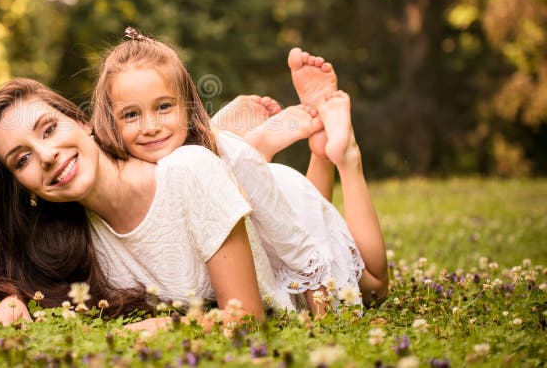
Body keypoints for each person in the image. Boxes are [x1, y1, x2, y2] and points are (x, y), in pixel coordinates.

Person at [89, 29, 388, 311]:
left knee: (374, 287)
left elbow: (296, 242)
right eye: (130, 114)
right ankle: (310, 148)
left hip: (277, 212)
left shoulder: (207, 162)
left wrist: (322, 309)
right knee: (301, 212)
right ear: (109, 122)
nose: (151, 127)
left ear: (188, 108)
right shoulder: (130, 174)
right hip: (273, 206)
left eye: (164, 107)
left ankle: (345, 156)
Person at [0, 78, 273, 331]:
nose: (46, 155)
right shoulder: (71, 240)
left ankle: (241, 141)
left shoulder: (189, 172)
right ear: (22, 188)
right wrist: (13, 300)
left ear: (82, 121)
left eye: (49, 129)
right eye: (22, 159)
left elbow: (249, 319)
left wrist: (172, 327)